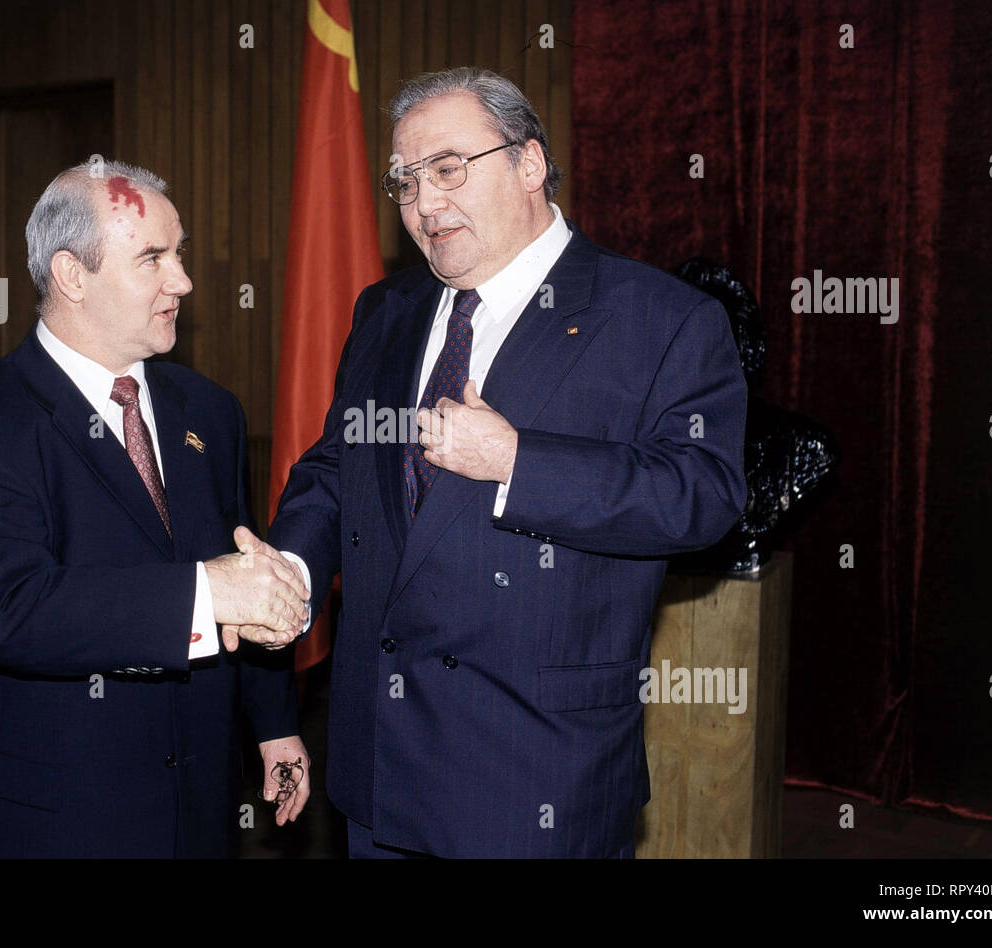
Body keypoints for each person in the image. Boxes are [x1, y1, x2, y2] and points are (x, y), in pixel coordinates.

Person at [264, 68, 748, 857]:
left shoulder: (659, 318)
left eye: (449, 167)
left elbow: (706, 496)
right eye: (406, 180)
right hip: (379, 771)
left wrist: (520, 463)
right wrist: (289, 565)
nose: (425, 202)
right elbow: (336, 469)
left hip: (534, 778)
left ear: (529, 163)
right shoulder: (385, 310)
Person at [0, 159, 311, 857]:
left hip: (198, 806)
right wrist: (207, 588)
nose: (182, 280)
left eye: (179, 252)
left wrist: (273, 724)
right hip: (54, 818)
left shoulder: (210, 412)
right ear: (71, 276)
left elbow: (243, 575)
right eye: (152, 258)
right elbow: (15, 611)